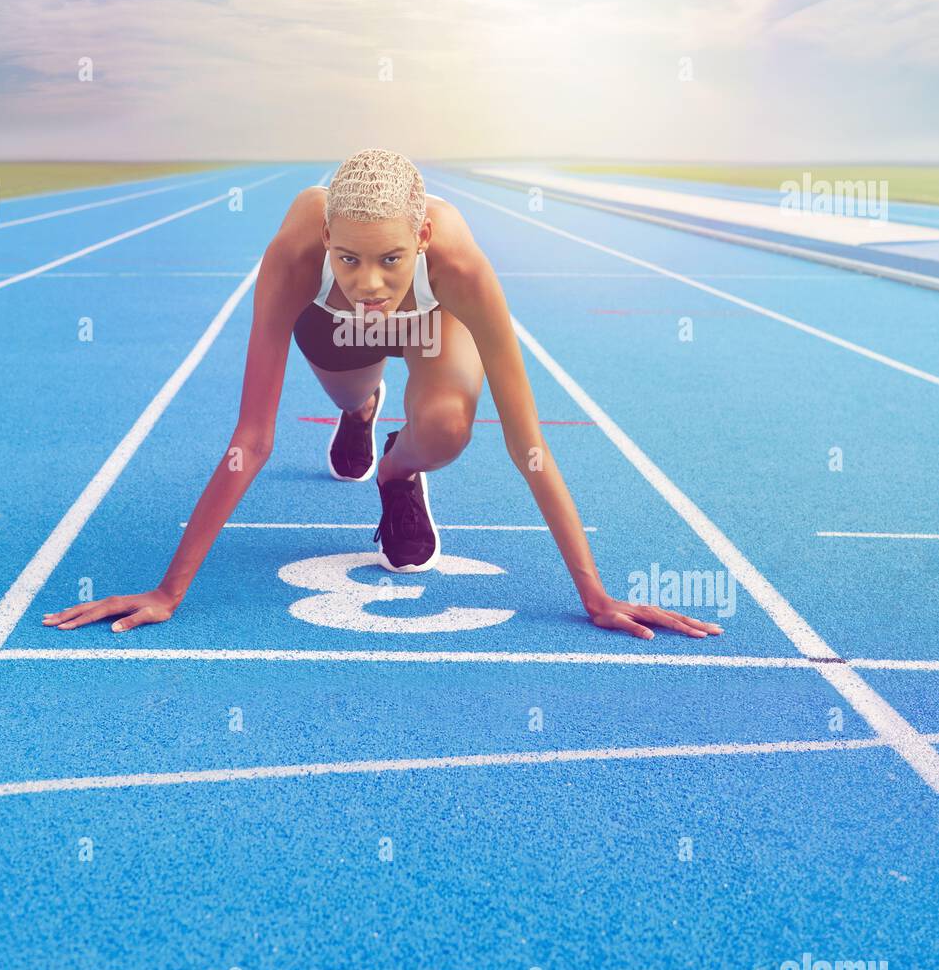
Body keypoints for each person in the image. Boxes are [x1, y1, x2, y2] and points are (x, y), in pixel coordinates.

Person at [43, 149, 724, 642]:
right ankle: (359, 411)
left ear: (422, 237)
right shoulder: (294, 257)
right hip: (333, 332)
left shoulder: (459, 267)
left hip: (430, 325)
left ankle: (396, 469)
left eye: (391, 258)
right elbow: (251, 440)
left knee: (451, 426)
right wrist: (169, 592)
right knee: (351, 385)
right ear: (328, 240)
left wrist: (596, 597)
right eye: (350, 258)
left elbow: (529, 447)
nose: (369, 281)